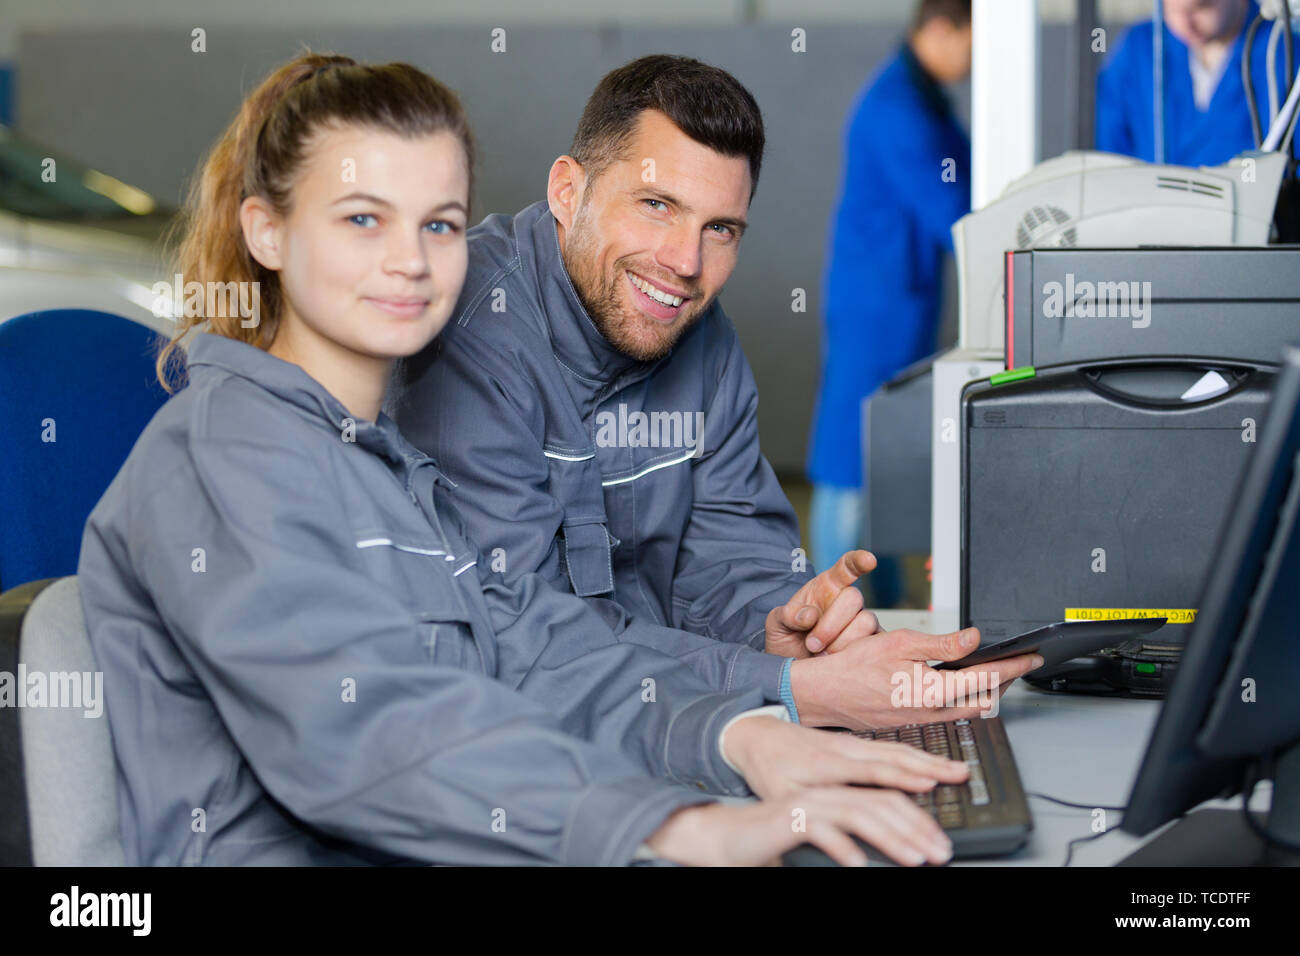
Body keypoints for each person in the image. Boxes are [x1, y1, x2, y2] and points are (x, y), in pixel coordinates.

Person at [78, 52, 977, 868]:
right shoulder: (224, 451)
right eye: (363, 219)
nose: (412, 263)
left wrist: (741, 735)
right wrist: (676, 824)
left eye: (439, 225)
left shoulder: (377, 458)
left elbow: (527, 658)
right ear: (267, 235)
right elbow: (369, 737)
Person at [393, 53, 1037, 729]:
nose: (685, 264)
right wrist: (791, 688)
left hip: (670, 727)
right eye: (656, 206)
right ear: (567, 191)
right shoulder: (468, 333)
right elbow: (526, 640)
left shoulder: (699, 336)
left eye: (720, 229)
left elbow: (733, 550)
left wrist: (781, 627)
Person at [806, 0, 973, 598]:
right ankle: (834, 604)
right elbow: (955, 212)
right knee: (854, 456)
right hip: (876, 308)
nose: (976, 57)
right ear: (940, 29)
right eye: (973, 40)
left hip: (895, 300)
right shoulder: (900, 109)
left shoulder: (922, 95)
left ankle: (881, 606)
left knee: (881, 459)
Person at [1096, 0, 1296, 166]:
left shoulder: (1284, 55)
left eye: (1201, 7)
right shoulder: (1138, 49)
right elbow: (1110, 154)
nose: (1185, 23)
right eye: (1171, 8)